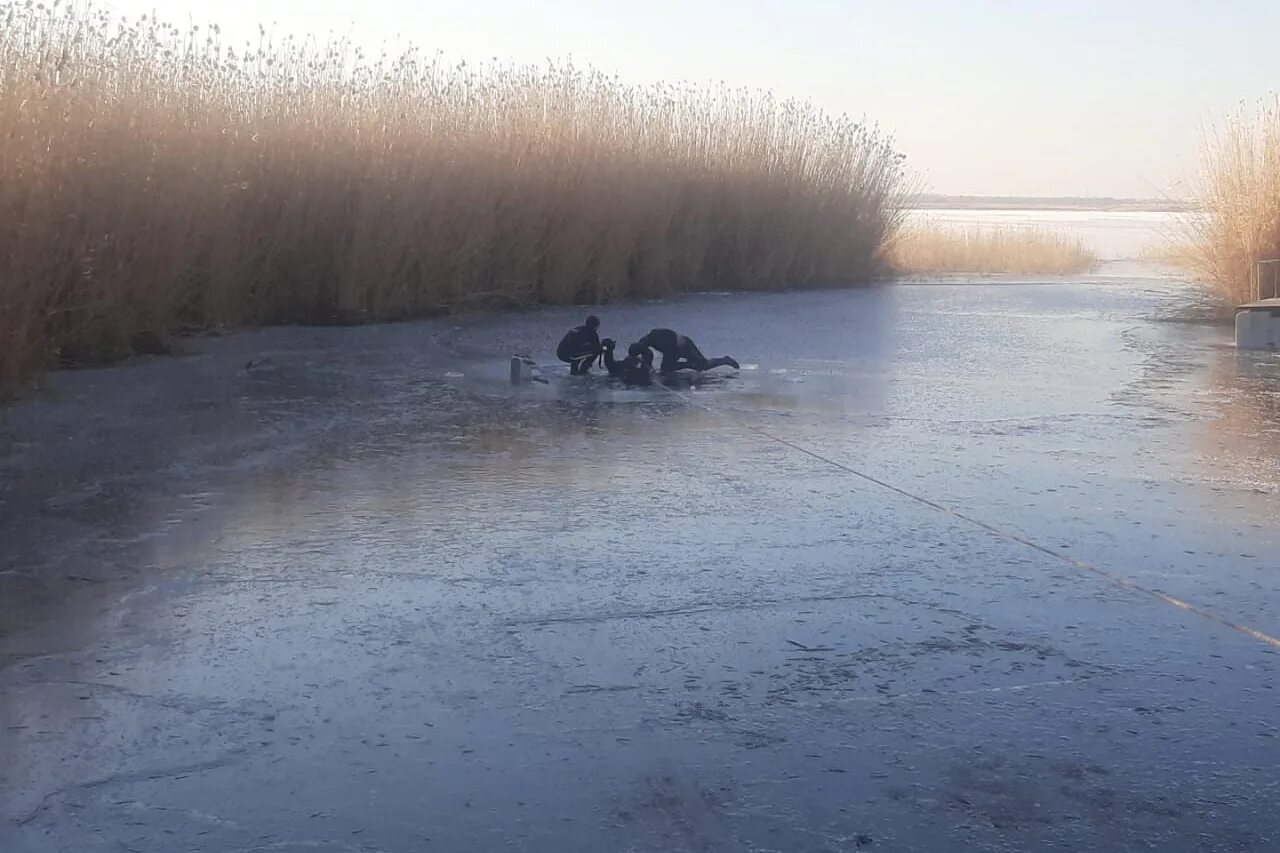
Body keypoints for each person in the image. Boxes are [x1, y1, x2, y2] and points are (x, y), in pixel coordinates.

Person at [632, 328, 740, 375]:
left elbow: (668, 360)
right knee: (666, 369)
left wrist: (651, 369)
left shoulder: (657, 337)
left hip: (684, 345)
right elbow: (647, 355)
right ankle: (690, 365)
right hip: (673, 347)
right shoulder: (644, 341)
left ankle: (725, 360)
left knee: (703, 365)